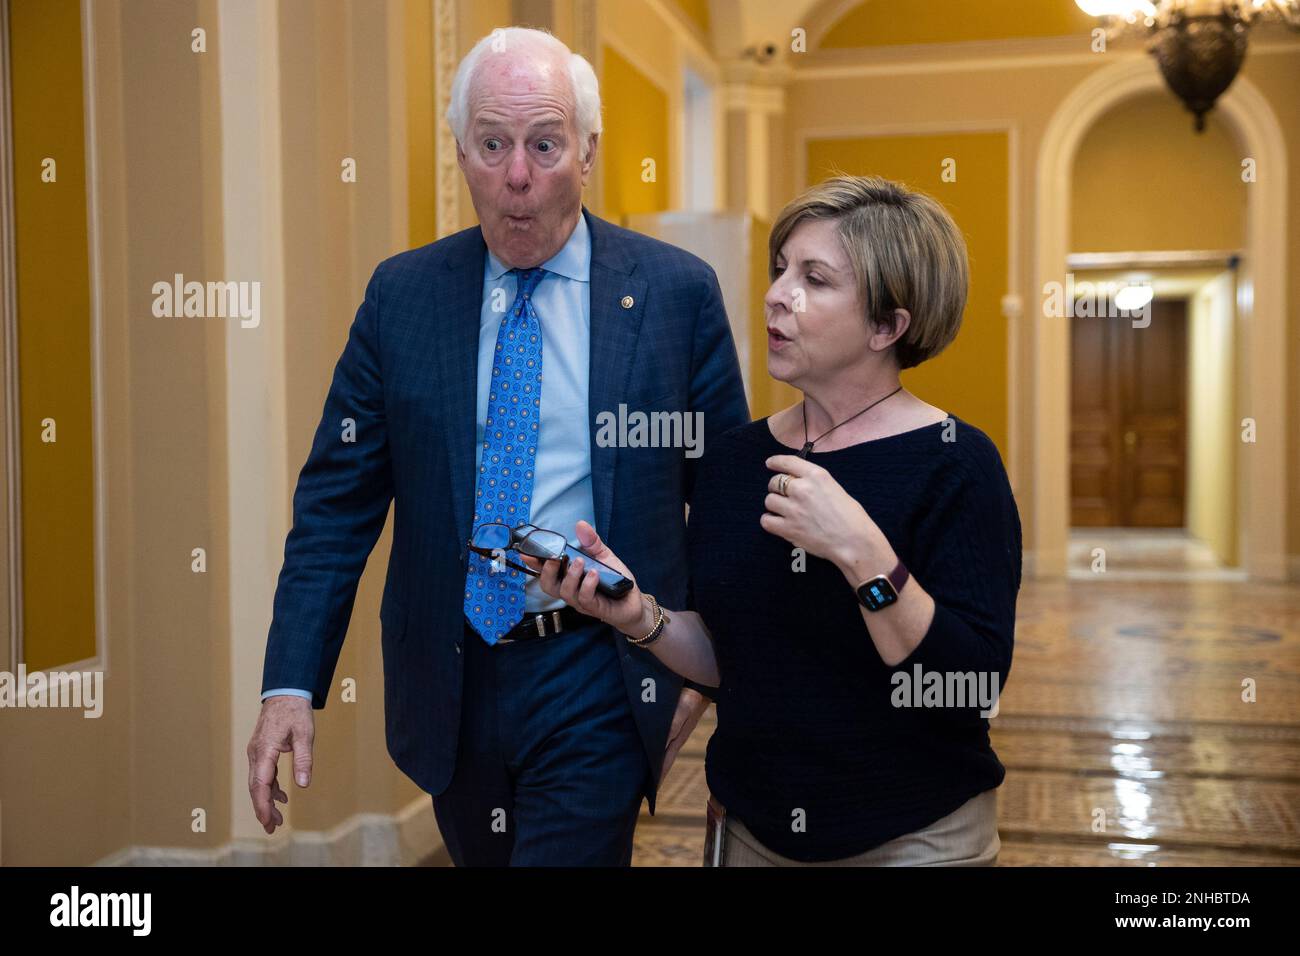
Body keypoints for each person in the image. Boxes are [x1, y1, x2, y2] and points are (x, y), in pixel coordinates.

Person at [246, 26, 750, 866]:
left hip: (597, 667)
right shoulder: (403, 297)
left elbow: (725, 506)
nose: (517, 176)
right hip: (451, 678)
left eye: (545, 145)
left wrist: (698, 665)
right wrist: (289, 684)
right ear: (461, 153)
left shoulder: (672, 295)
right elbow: (337, 503)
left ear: (588, 152)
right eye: (492, 145)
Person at [525, 175, 1021, 866]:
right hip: (752, 832)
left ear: (888, 325)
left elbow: (967, 688)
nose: (777, 294)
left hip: (912, 837)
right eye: (781, 269)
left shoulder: (956, 464)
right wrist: (640, 614)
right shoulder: (736, 460)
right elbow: (732, 662)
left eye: (815, 279)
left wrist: (859, 551)